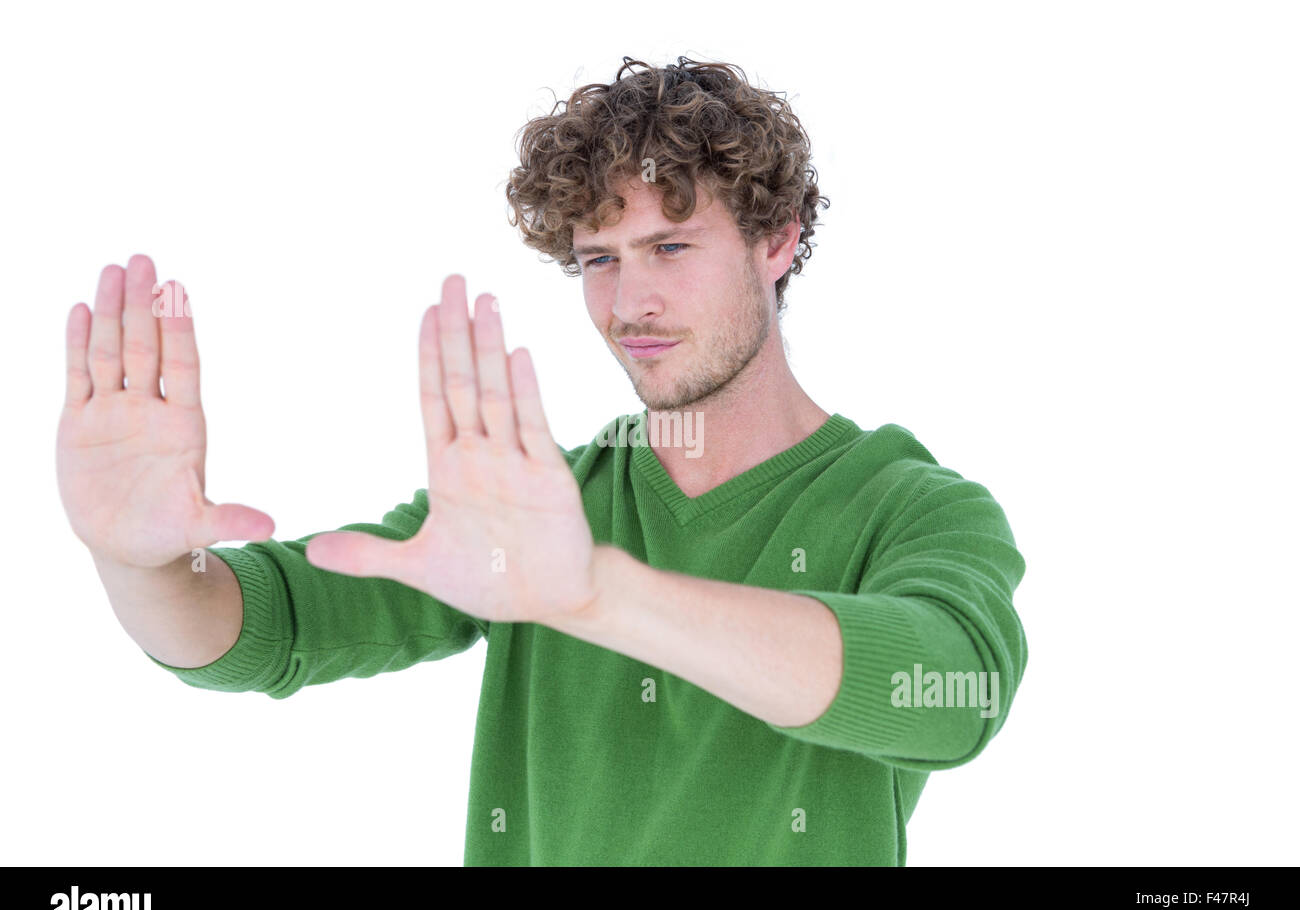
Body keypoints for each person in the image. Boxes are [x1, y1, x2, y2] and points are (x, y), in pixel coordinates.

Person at [55, 56, 1028, 865]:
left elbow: (950, 693)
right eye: (598, 258)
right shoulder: (540, 506)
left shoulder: (910, 505)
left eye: (670, 245)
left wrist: (592, 594)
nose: (626, 302)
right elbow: (272, 627)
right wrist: (137, 562)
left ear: (777, 240)